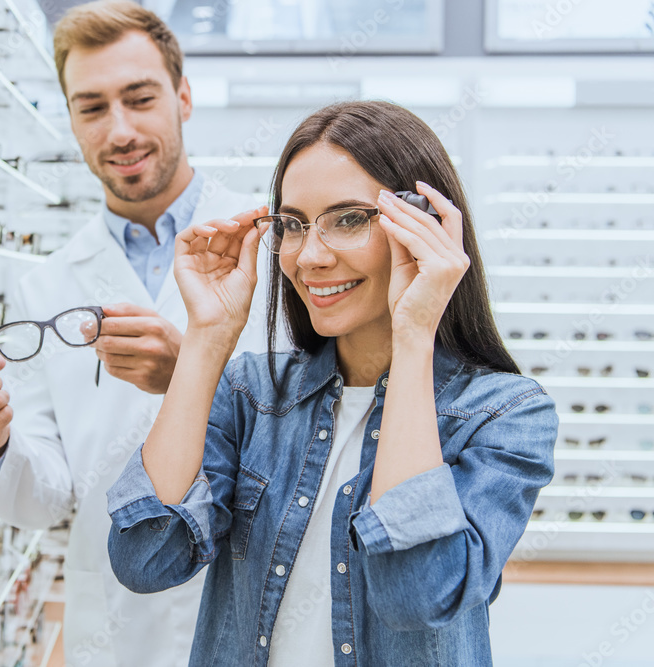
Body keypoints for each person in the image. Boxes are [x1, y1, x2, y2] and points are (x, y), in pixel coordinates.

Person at [106, 100, 559, 666]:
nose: (311, 257)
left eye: (347, 219)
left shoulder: (505, 415)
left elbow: (417, 592)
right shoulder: (251, 395)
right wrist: (208, 337)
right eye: (293, 225)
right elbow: (147, 558)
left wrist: (415, 334)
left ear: (422, 228)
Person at [0, 3, 269, 666]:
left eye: (139, 99)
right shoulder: (48, 287)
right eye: (91, 108)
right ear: (71, 119)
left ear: (183, 98)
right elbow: (50, 491)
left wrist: (192, 370)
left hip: (253, 594)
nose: (119, 129)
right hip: (119, 623)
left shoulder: (270, 245)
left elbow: (317, 432)